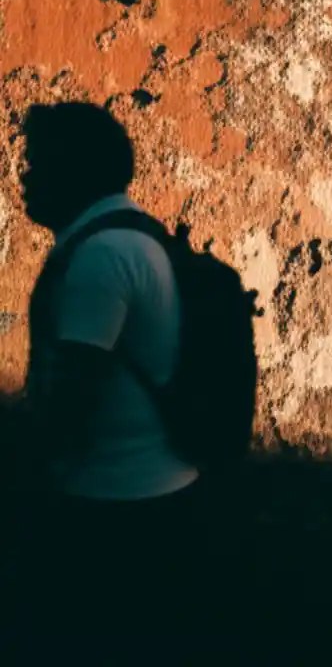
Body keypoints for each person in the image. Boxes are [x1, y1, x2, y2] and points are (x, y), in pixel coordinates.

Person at [4, 102, 203, 628]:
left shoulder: (102, 256)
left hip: (116, 505)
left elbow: (75, 392)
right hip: (149, 492)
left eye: (36, 162)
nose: (22, 176)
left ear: (72, 170)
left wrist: (29, 480)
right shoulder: (129, 233)